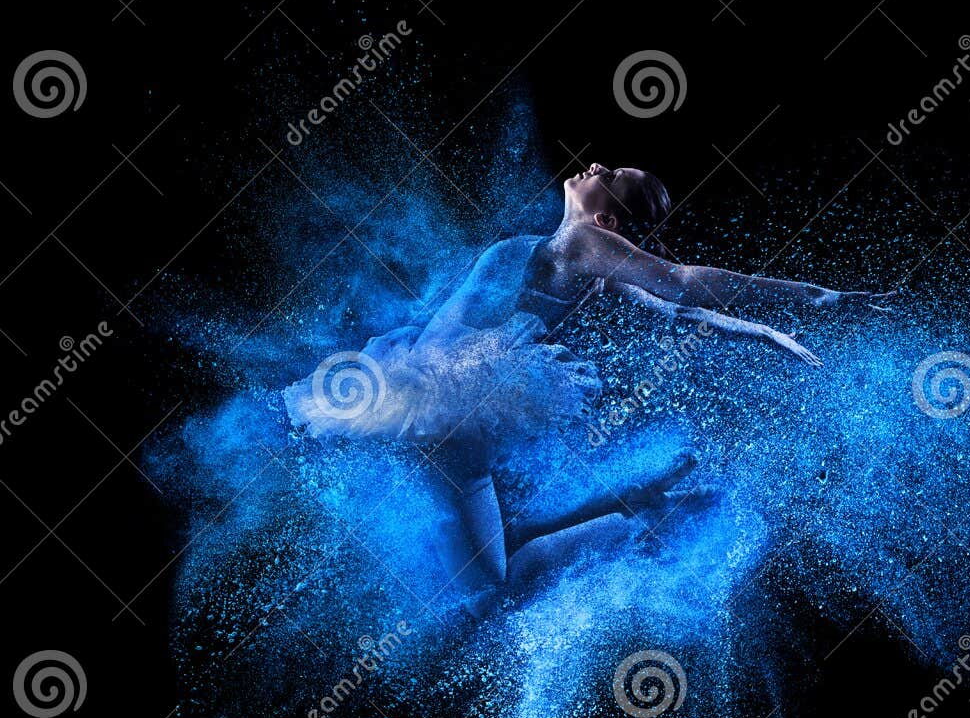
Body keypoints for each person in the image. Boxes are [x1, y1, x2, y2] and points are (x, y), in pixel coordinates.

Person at [285, 161, 891, 599]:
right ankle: (632, 509)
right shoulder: (558, 251)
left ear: (605, 218)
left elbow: (680, 286)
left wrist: (818, 298)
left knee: (485, 583)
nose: (595, 162)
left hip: (444, 409)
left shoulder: (580, 242)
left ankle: (627, 512)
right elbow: (687, 313)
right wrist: (767, 333)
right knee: (484, 581)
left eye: (613, 172)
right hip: (440, 410)